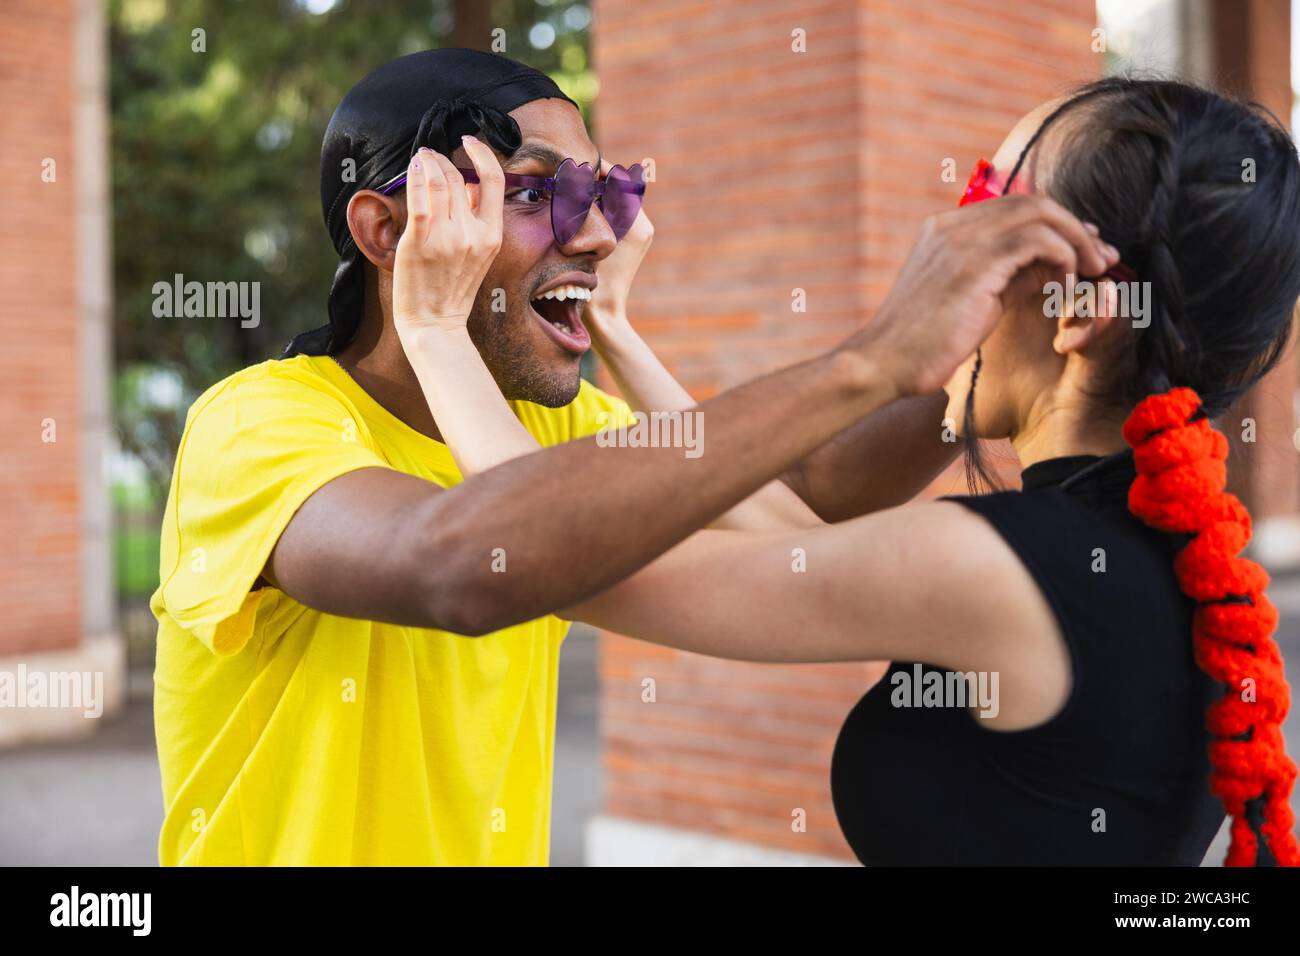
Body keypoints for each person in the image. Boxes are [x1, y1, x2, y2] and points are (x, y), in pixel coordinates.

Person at [411, 78, 1300, 866]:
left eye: (987, 204)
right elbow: (787, 537)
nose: (943, 233)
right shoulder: (1129, 550)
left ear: (1076, 315)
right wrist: (617, 327)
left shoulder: (1006, 563)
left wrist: (435, 328)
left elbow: (535, 557)